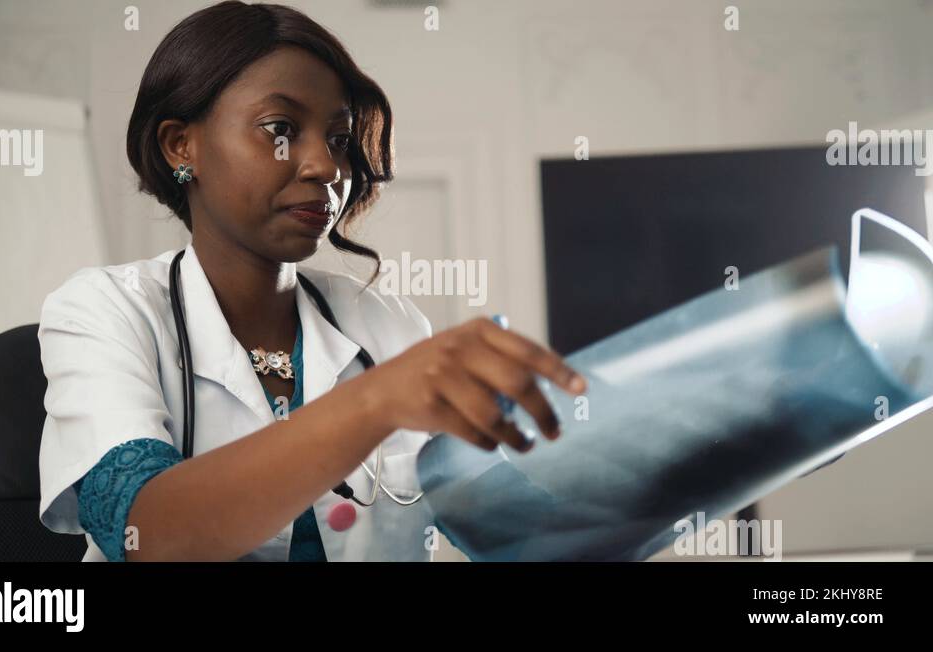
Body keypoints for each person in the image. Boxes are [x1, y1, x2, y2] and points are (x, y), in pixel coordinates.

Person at [37, 1, 586, 562]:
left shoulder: (387, 322)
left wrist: (649, 478)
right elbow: (145, 536)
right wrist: (374, 402)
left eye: (339, 139)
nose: (326, 167)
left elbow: (525, 537)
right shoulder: (102, 311)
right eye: (281, 129)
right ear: (182, 145)